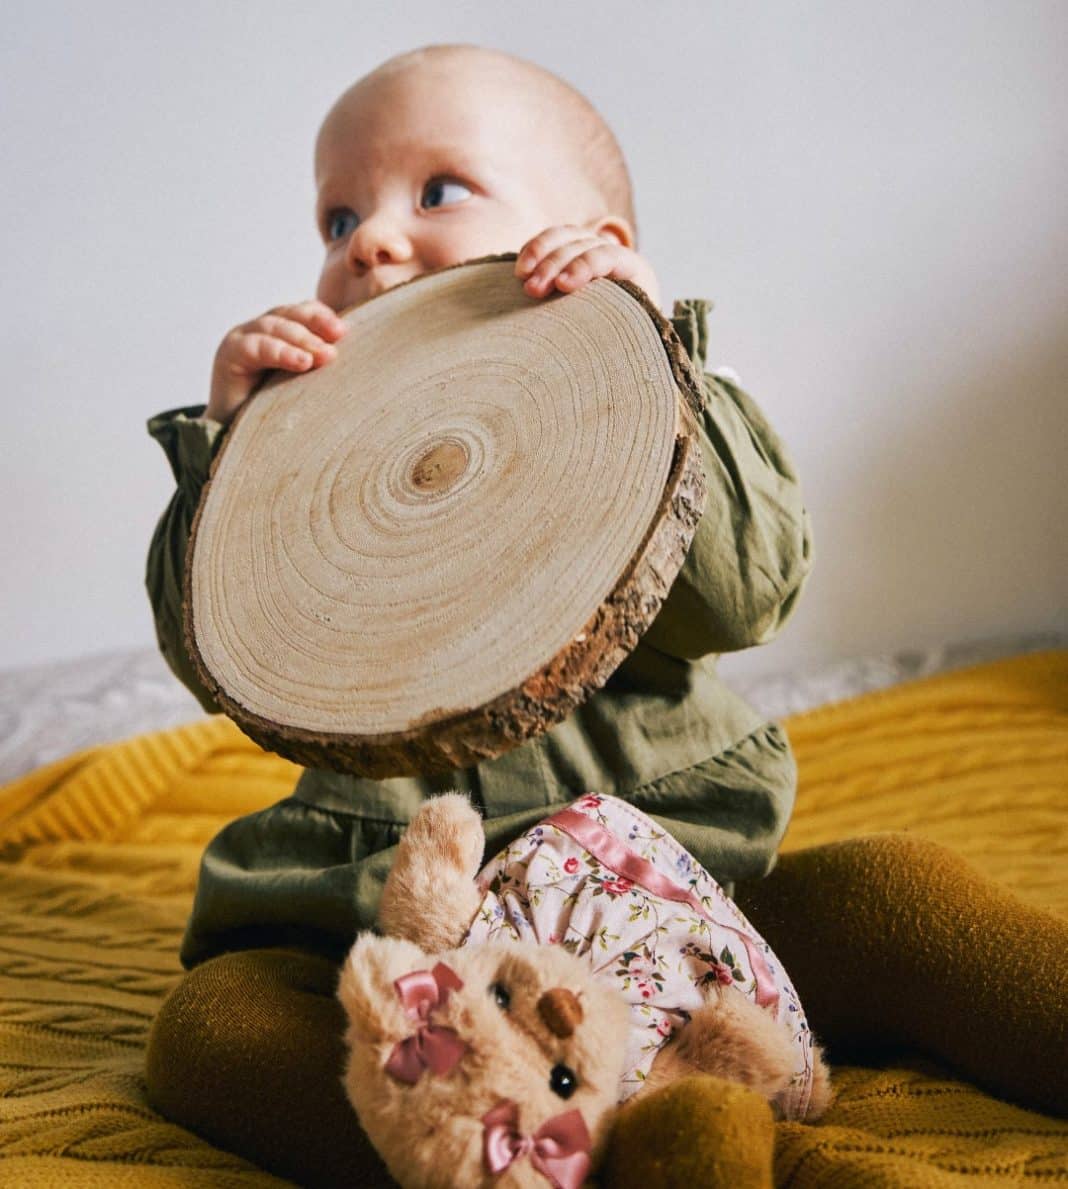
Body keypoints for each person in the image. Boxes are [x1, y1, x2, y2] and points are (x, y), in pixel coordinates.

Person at [144, 44, 1066, 1189]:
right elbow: (222, 659)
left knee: (899, 899)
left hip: (681, 898)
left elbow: (750, 586)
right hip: (391, 928)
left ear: (598, 246)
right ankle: (523, 1140)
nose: (367, 242)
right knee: (212, 1025)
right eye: (337, 216)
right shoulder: (324, 474)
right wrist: (230, 461)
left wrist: (650, 355)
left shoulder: (640, 401)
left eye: (436, 191)